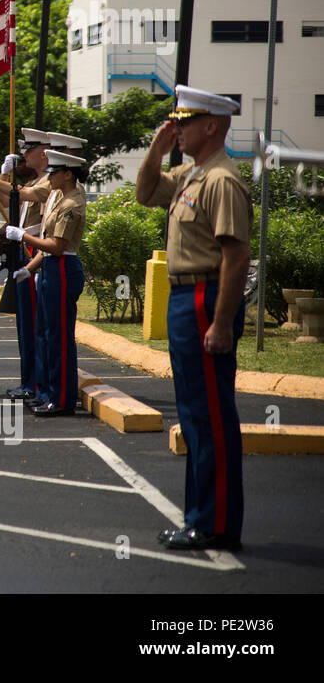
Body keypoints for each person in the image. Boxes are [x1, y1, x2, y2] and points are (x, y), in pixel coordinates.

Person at [136, 86, 250, 552]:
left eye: (185, 123)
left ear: (212, 126)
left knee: (210, 417)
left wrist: (221, 323)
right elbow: (146, 192)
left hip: (205, 296)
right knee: (194, 414)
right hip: (185, 297)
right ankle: (201, 518)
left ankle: (215, 524)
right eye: (176, 123)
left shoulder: (221, 179)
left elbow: (236, 255)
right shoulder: (191, 174)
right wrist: (156, 150)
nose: (177, 129)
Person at [0, 146, 88, 416]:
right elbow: (48, 248)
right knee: (47, 335)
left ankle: (61, 399)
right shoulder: (59, 198)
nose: (50, 177)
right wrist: (31, 267)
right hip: (49, 266)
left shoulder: (71, 203)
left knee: (58, 338)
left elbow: (57, 246)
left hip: (61, 268)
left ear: (68, 174)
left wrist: (21, 238)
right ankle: (48, 393)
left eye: (55, 172)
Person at [0, 128, 53, 402]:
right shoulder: (39, 181)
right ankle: (29, 381)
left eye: (27, 150)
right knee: (25, 328)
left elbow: (24, 196)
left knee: (34, 328)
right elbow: (10, 205)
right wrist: (1, 177)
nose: (23, 155)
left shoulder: (49, 182)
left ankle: (35, 383)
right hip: (24, 254)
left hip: (35, 257)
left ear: (43, 152)